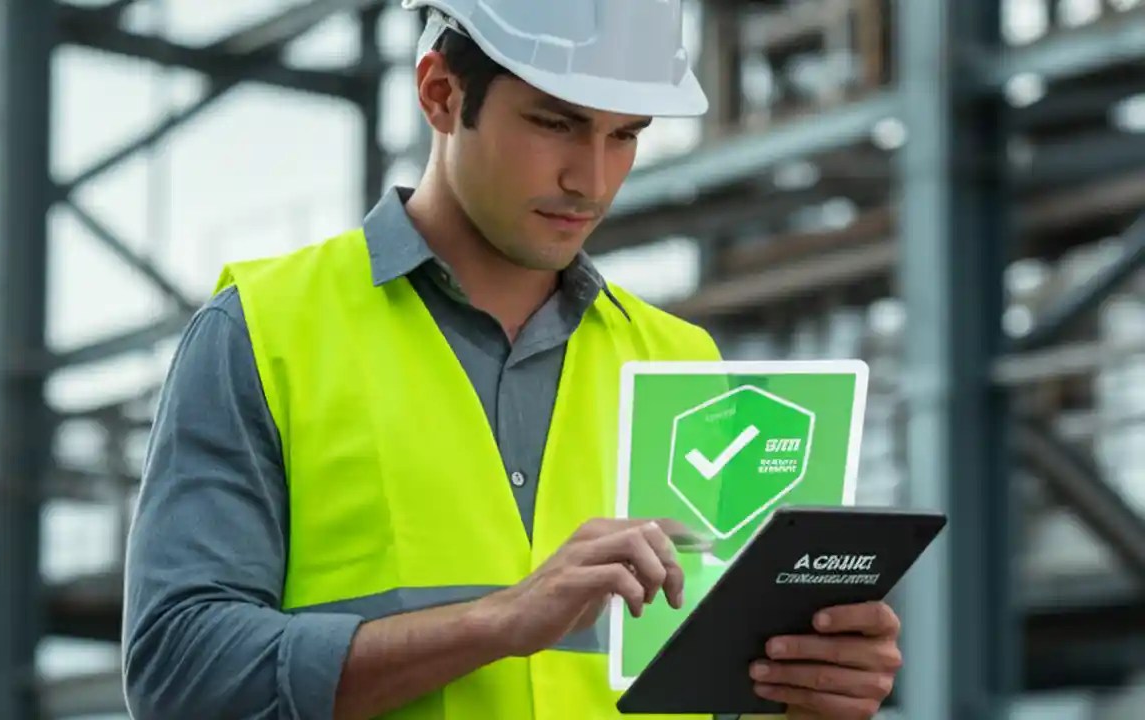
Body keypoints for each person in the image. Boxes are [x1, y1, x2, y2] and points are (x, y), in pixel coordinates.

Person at [121, 1, 905, 718]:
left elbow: (709, 693)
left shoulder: (682, 361)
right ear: (440, 94)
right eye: (555, 124)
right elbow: (180, 673)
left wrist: (809, 694)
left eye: (625, 134)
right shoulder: (262, 330)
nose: (591, 180)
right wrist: (499, 622)